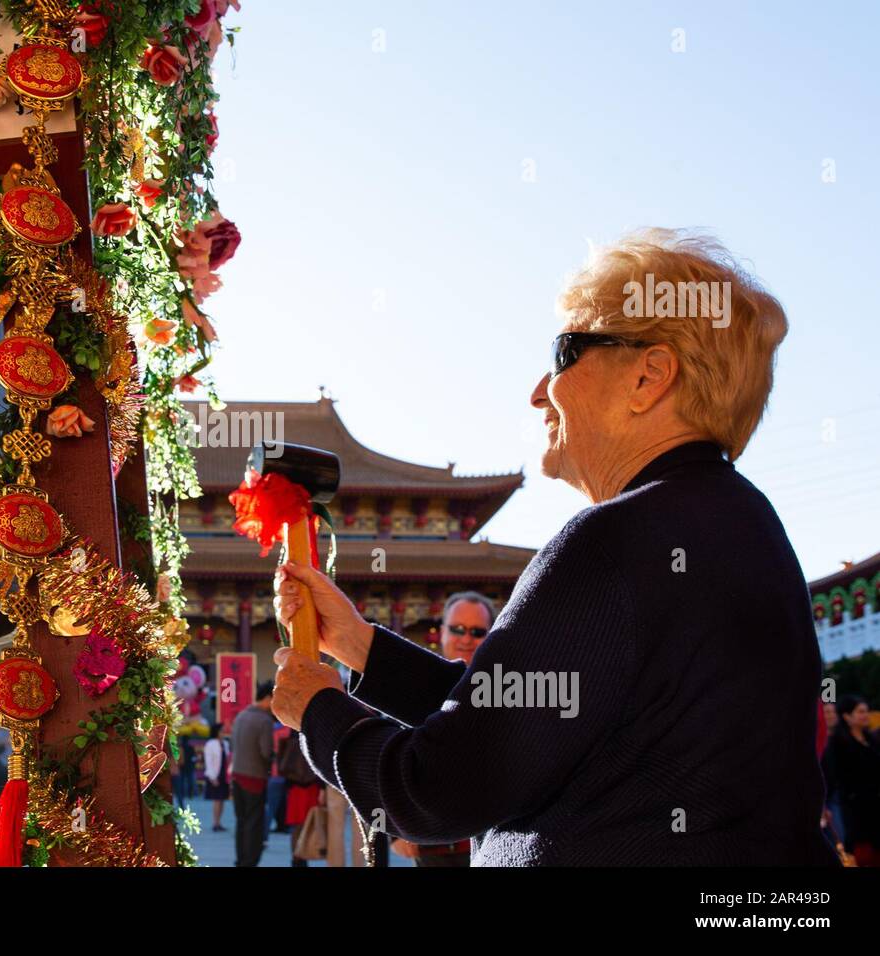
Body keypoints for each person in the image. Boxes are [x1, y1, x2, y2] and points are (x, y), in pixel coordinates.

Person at [272, 230, 837, 866]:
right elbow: (535, 715)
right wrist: (359, 646)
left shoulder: (615, 539)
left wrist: (317, 708)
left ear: (648, 377)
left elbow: (438, 789)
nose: (541, 390)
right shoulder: (748, 522)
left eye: (566, 352)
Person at [394, 591, 497, 868]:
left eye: (477, 632)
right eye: (457, 629)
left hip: (489, 841)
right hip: (430, 843)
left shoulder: (507, 690)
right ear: (441, 633)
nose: (466, 639)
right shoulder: (415, 686)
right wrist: (393, 828)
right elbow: (393, 755)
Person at [823, 696, 880, 866]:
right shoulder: (838, 743)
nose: (866, 715)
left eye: (866, 711)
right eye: (860, 712)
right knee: (863, 853)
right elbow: (836, 777)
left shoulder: (872, 739)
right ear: (847, 716)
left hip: (875, 805)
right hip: (856, 810)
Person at [229, 682, 275, 867]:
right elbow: (266, 752)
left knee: (241, 822)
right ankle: (250, 861)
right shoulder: (264, 720)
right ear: (267, 698)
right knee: (254, 823)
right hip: (254, 778)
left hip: (237, 775)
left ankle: (240, 860)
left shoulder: (241, 715)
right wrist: (272, 759)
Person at [278, 728, 321, 866]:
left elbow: (284, 763)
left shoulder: (291, 734)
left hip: (294, 785)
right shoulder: (314, 733)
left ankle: (297, 858)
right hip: (311, 785)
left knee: (297, 826)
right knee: (309, 823)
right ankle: (302, 857)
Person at [202, 722, 229, 832]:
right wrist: (212, 777)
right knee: (217, 800)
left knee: (222, 799)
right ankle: (215, 823)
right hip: (215, 775)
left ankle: (219, 822)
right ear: (216, 732)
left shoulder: (225, 743)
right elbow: (208, 761)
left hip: (224, 774)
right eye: (221, 731)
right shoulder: (210, 743)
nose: (223, 732)